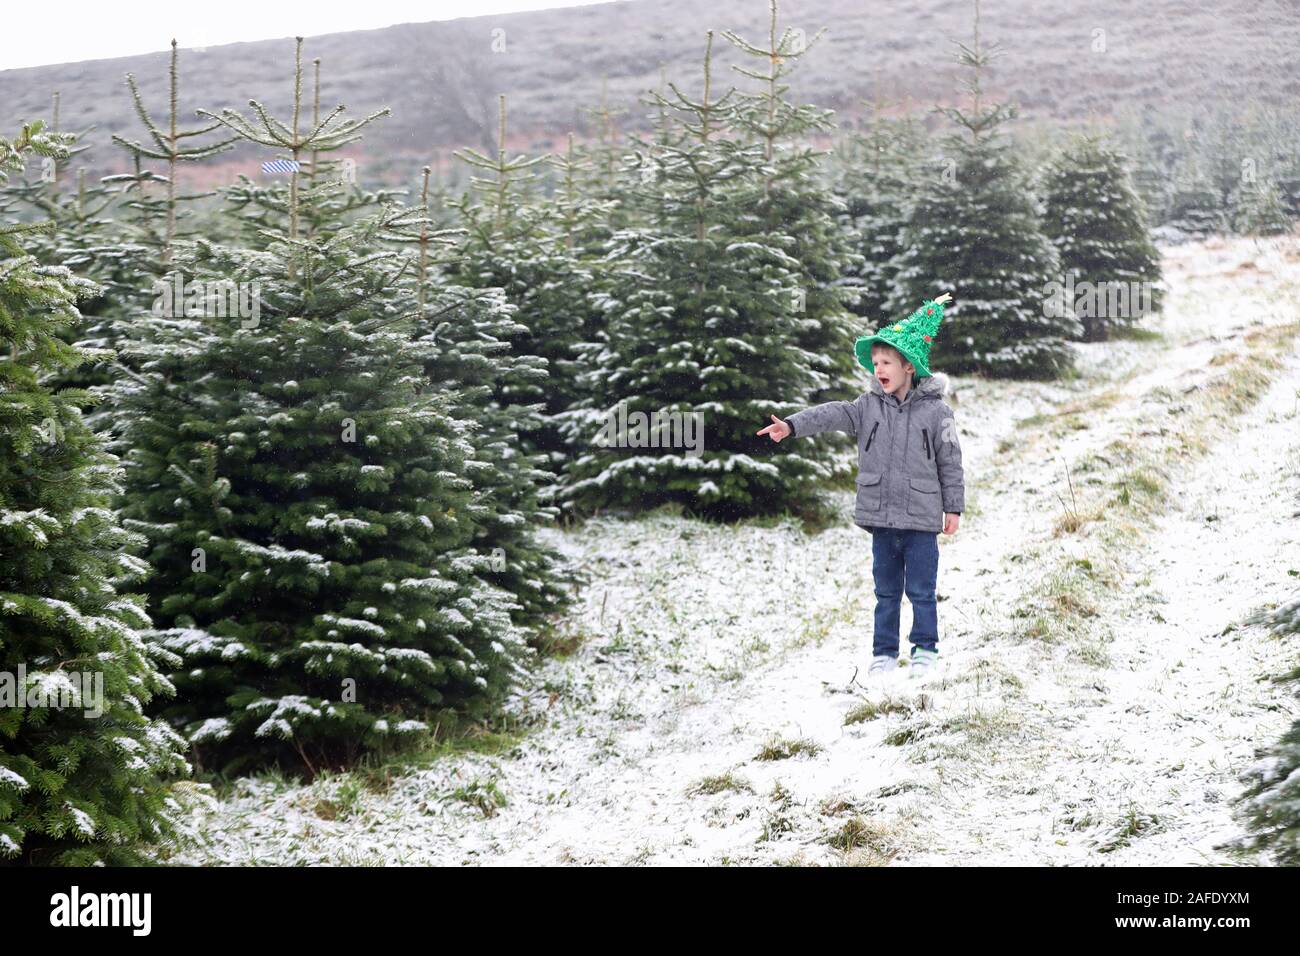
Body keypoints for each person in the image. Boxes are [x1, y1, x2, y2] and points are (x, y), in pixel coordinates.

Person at [757, 294, 965, 681]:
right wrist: (791, 425)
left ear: (908, 366)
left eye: (887, 362)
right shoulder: (867, 407)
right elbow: (832, 413)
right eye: (876, 362)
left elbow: (950, 460)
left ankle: (925, 649)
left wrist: (953, 507)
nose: (878, 368)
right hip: (881, 517)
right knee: (885, 592)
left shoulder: (937, 412)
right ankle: (884, 653)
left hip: (921, 519)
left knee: (921, 589)